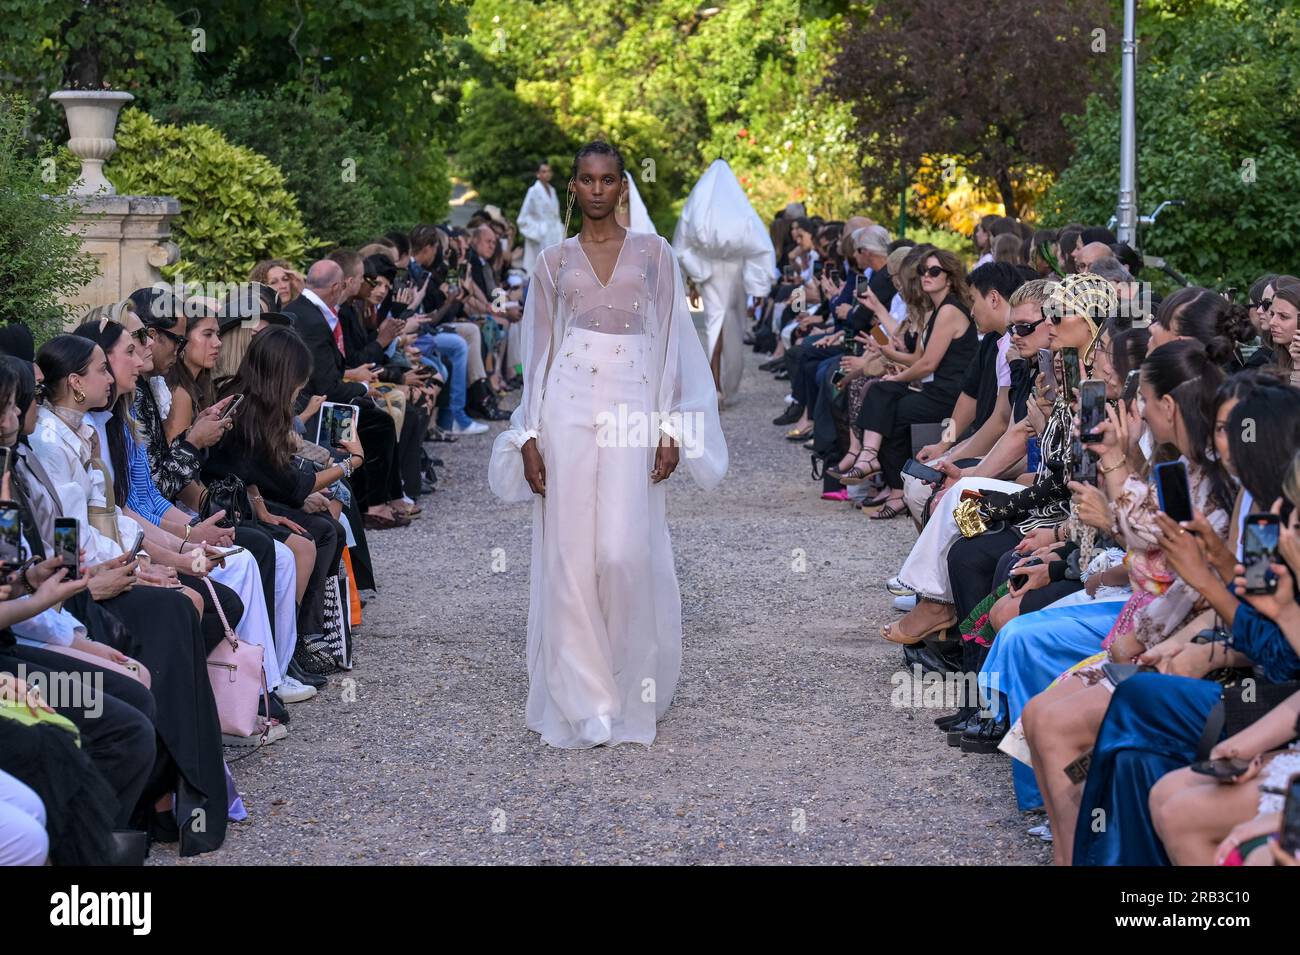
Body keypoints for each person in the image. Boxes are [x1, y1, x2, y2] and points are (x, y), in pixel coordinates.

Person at [488, 141, 728, 748]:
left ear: (623, 187)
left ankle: (630, 684)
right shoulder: (549, 261)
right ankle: (584, 696)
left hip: (633, 404)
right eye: (586, 181)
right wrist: (528, 434)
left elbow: (675, 344)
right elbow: (537, 354)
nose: (597, 190)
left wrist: (672, 426)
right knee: (569, 553)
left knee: (622, 552)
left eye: (608, 181)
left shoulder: (655, 255)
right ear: (572, 188)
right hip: (565, 404)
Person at [672, 158, 777, 407]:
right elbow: (759, 246)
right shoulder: (739, 206)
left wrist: (696, 278)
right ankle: (719, 384)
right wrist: (758, 286)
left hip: (708, 272)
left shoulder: (697, 204)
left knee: (714, 325)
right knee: (732, 326)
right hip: (734, 272)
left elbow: (682, 246)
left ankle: (714, 385)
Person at [516, 161, 565, 275]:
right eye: (543, 171)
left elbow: (555, 216)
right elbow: (523, 218)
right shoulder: (533, 191)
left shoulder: (552, 191)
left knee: (555, 271)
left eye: (548, 171)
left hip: (555, 236)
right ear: (538, 174)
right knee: (539, 271)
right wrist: (538, 231)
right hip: (540, 238)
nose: (547, 174)